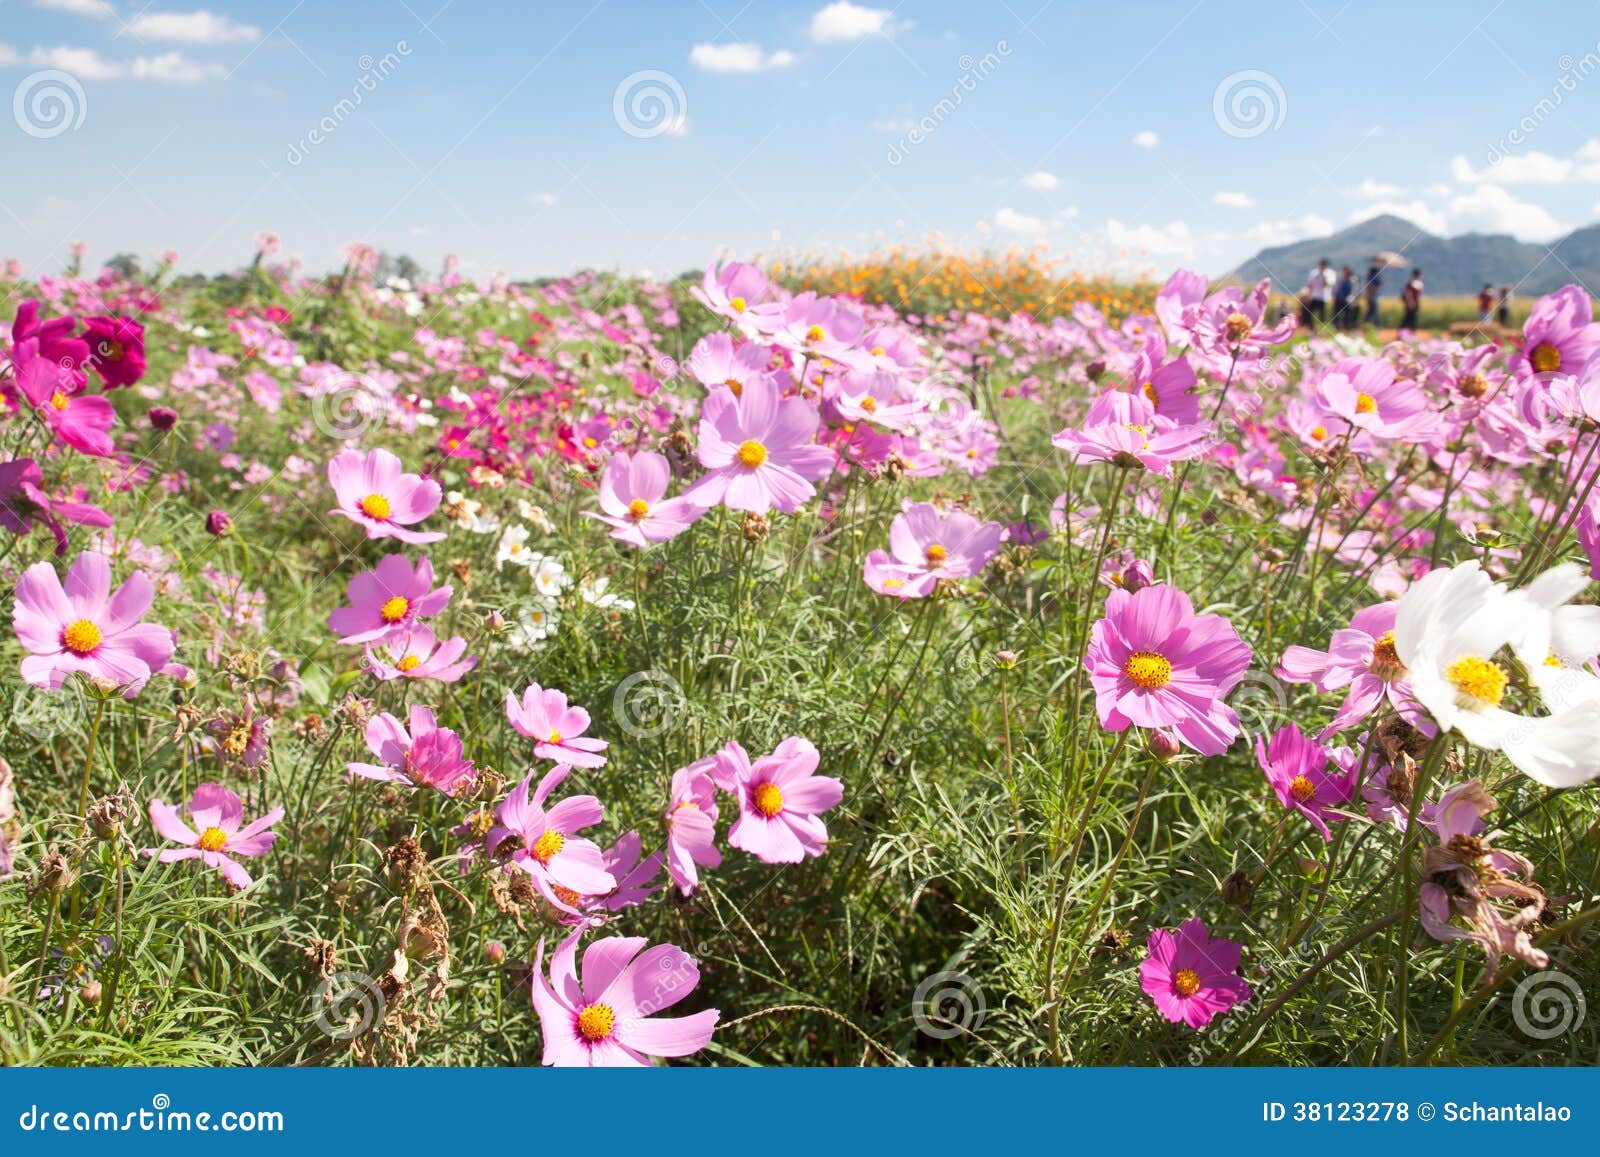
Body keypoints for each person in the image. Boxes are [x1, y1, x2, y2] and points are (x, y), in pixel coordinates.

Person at [1304, 258, 1334, 324]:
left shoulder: (1330, 273)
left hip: (1324, 298)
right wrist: (1308, 295)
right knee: (1309, 313)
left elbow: (1326, 285)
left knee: (1322, 316)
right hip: (1313, 297)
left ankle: (1322, 329)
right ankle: (1311, 328)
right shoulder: (1313, 273)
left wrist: (1322, 275)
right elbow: (1310, 285)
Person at [1334, 265, 1357, 330]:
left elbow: (1353, 291)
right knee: (1337, 314)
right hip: (1339, 299)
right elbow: (1337, 290)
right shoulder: (1340, 280)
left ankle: (1347, 328)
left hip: (1347, 300)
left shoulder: (1352, 280)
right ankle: (1337, 327)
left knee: (1347, 316)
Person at [1363, 262, 1383, 327]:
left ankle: (1369, 323)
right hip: (1373, 297)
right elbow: (1375, 287)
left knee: (1372, 311)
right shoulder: (1375, 277)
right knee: (1373, 311)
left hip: (1372, 296)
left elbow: (1370, 287)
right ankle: (1375, 324)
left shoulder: (1371, 277)